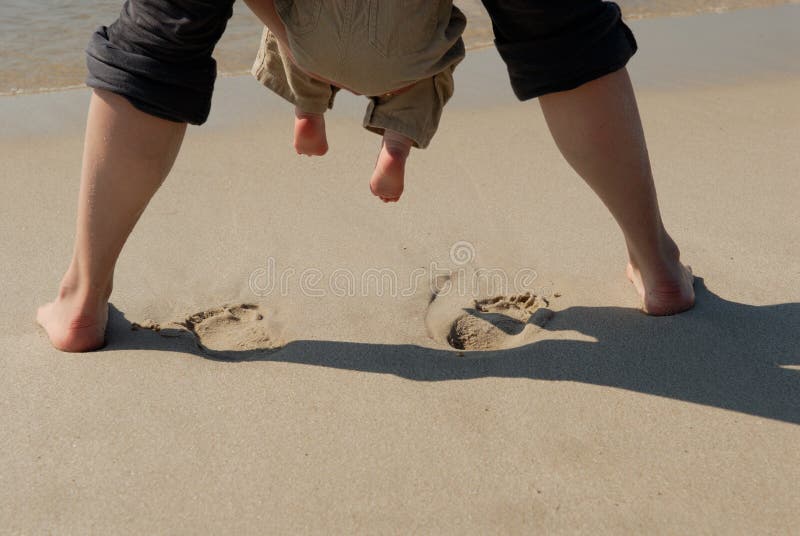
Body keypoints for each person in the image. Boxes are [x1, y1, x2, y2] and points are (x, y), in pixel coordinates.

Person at [36, 0, 696, 352]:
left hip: (312, 43)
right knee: (565, 28)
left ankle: (82, 300)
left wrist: (288, 34)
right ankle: (656, 265)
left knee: (157, 37)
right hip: (409, 54)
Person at [252, 1, 465, 202]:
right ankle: (397, 143)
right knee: (436, 46)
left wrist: (291, 44)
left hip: (312, 45)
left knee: (287, 17)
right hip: (399, 59)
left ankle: (307, 106)